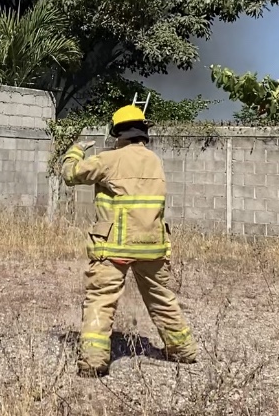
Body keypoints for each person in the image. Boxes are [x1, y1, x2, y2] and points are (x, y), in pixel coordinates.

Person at [60, 104, 198, 377]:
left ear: (117, 133)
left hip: (114, 247)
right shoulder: (155, 161)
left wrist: (75, 151)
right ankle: (182, 350)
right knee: (162, 298)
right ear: (143, 132)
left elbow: (70, 175)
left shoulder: (109, 160)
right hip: (153, 246)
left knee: (101, 299)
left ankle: (93, 362)